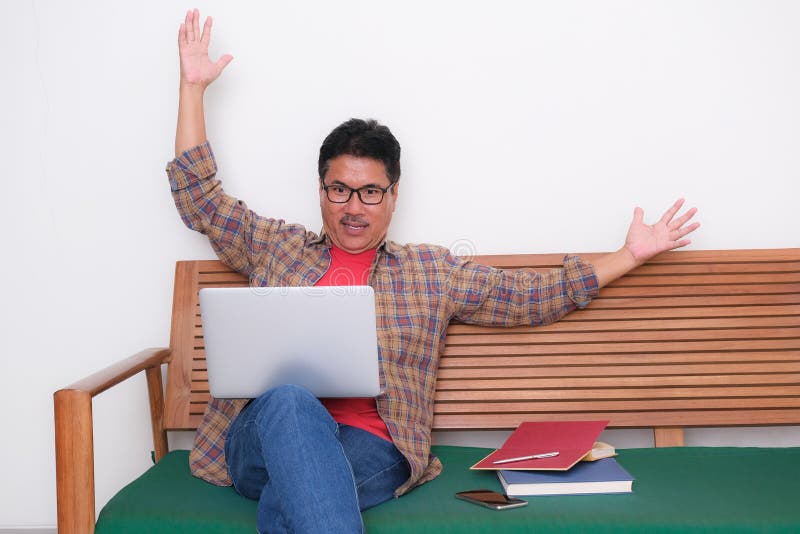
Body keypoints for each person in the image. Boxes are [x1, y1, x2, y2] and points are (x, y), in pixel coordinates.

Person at [168, 9, 700, 534]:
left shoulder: (428, 271)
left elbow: (525, 296)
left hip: (371, 446)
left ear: (393, 195)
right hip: (261, 441)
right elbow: (202, 202)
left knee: (298, 496)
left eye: (370, 191)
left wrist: (628, 255)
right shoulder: (277, 248)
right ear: (322, 191)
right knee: (289, 399)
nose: (354, 207)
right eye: (339, 190)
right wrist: (192, 88)